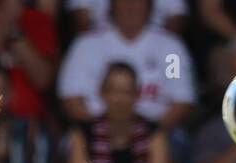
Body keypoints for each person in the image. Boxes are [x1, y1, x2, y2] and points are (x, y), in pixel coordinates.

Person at [57, 0, 196, 130]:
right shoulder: (86, 44)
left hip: (158, 132)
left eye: (137, 1)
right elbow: (71, 100)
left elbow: (181, 101)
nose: (130, 6)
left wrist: (148, 134)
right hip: (96, 133)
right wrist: (103, 134)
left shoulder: (171, 49)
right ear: (111, 5)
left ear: (150, 6)